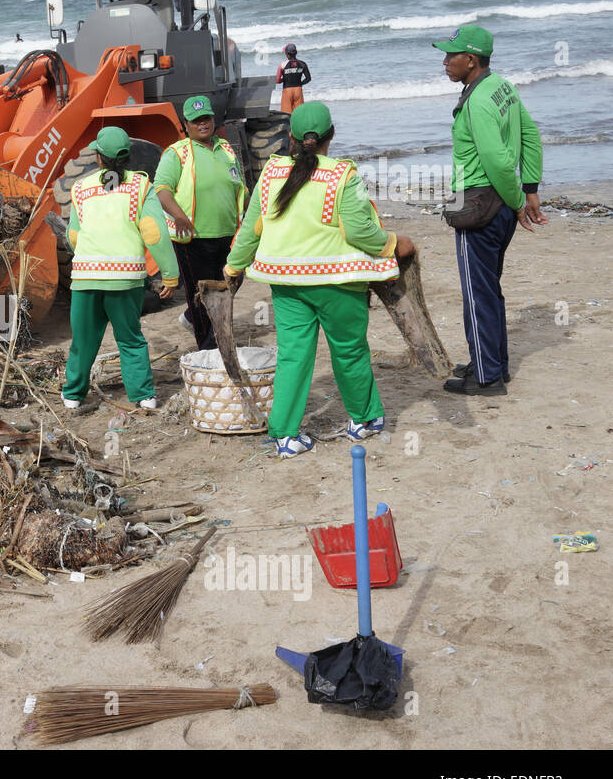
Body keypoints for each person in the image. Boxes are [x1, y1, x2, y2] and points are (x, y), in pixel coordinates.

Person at [223, 102, 415, 458]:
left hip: (285, 282)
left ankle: (285, 436)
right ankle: (365, 419)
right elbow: (360, 232)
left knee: (293, 356)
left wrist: (233, 268)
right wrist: (394, 245)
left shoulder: (270, 174)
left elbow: (251, 229)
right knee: (349, 351)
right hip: (338, 282)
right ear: (331, 136)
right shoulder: (343, 176)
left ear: (291, 138)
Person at [433, 24, 545, 395]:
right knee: (488, 289)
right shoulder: (501, 87)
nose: (446, 62)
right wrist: (529, 189)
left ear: (472, 59)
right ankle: (491, 363)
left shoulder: (479, 101)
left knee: (477, 293)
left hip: (478, 205)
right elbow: (530, 133)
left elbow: (497, 161)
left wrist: (518, 201)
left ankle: (488, 378)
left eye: (451, 56)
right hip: (498, 206)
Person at [62, 127, 180, 410]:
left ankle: (72, 396)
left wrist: (93, 257)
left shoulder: (80, 188)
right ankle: (143, 396)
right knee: (130, 339)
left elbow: (73, 236)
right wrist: (170, 274)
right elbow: (154, 233)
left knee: (83, 340)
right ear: (128, 156)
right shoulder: (141, 187)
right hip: (125, 278)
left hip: (86, 278)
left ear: (99, 158)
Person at [154, 95, 249, 350]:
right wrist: (180, 216)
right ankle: (209, 348)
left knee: (231, 282)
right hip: (193, 238)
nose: (202, 124)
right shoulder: (176, 153)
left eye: (205, 118)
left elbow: (240, 187)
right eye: (196, 121)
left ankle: (191, 320)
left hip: (228, 235)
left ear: (212, 119)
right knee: (201, 296)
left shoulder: (226, 149)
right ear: (186, 124)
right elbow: (162, 189)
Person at [277, 44, 311, 114]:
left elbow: (277, 80)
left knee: (287, 114)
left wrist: (284, 79)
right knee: (299, 113)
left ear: (287, 54)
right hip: (298, 90)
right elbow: (308, 78)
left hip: (287, 91)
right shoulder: (302, 64)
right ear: (296, 52)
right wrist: (300, 83)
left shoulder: (282, 65)